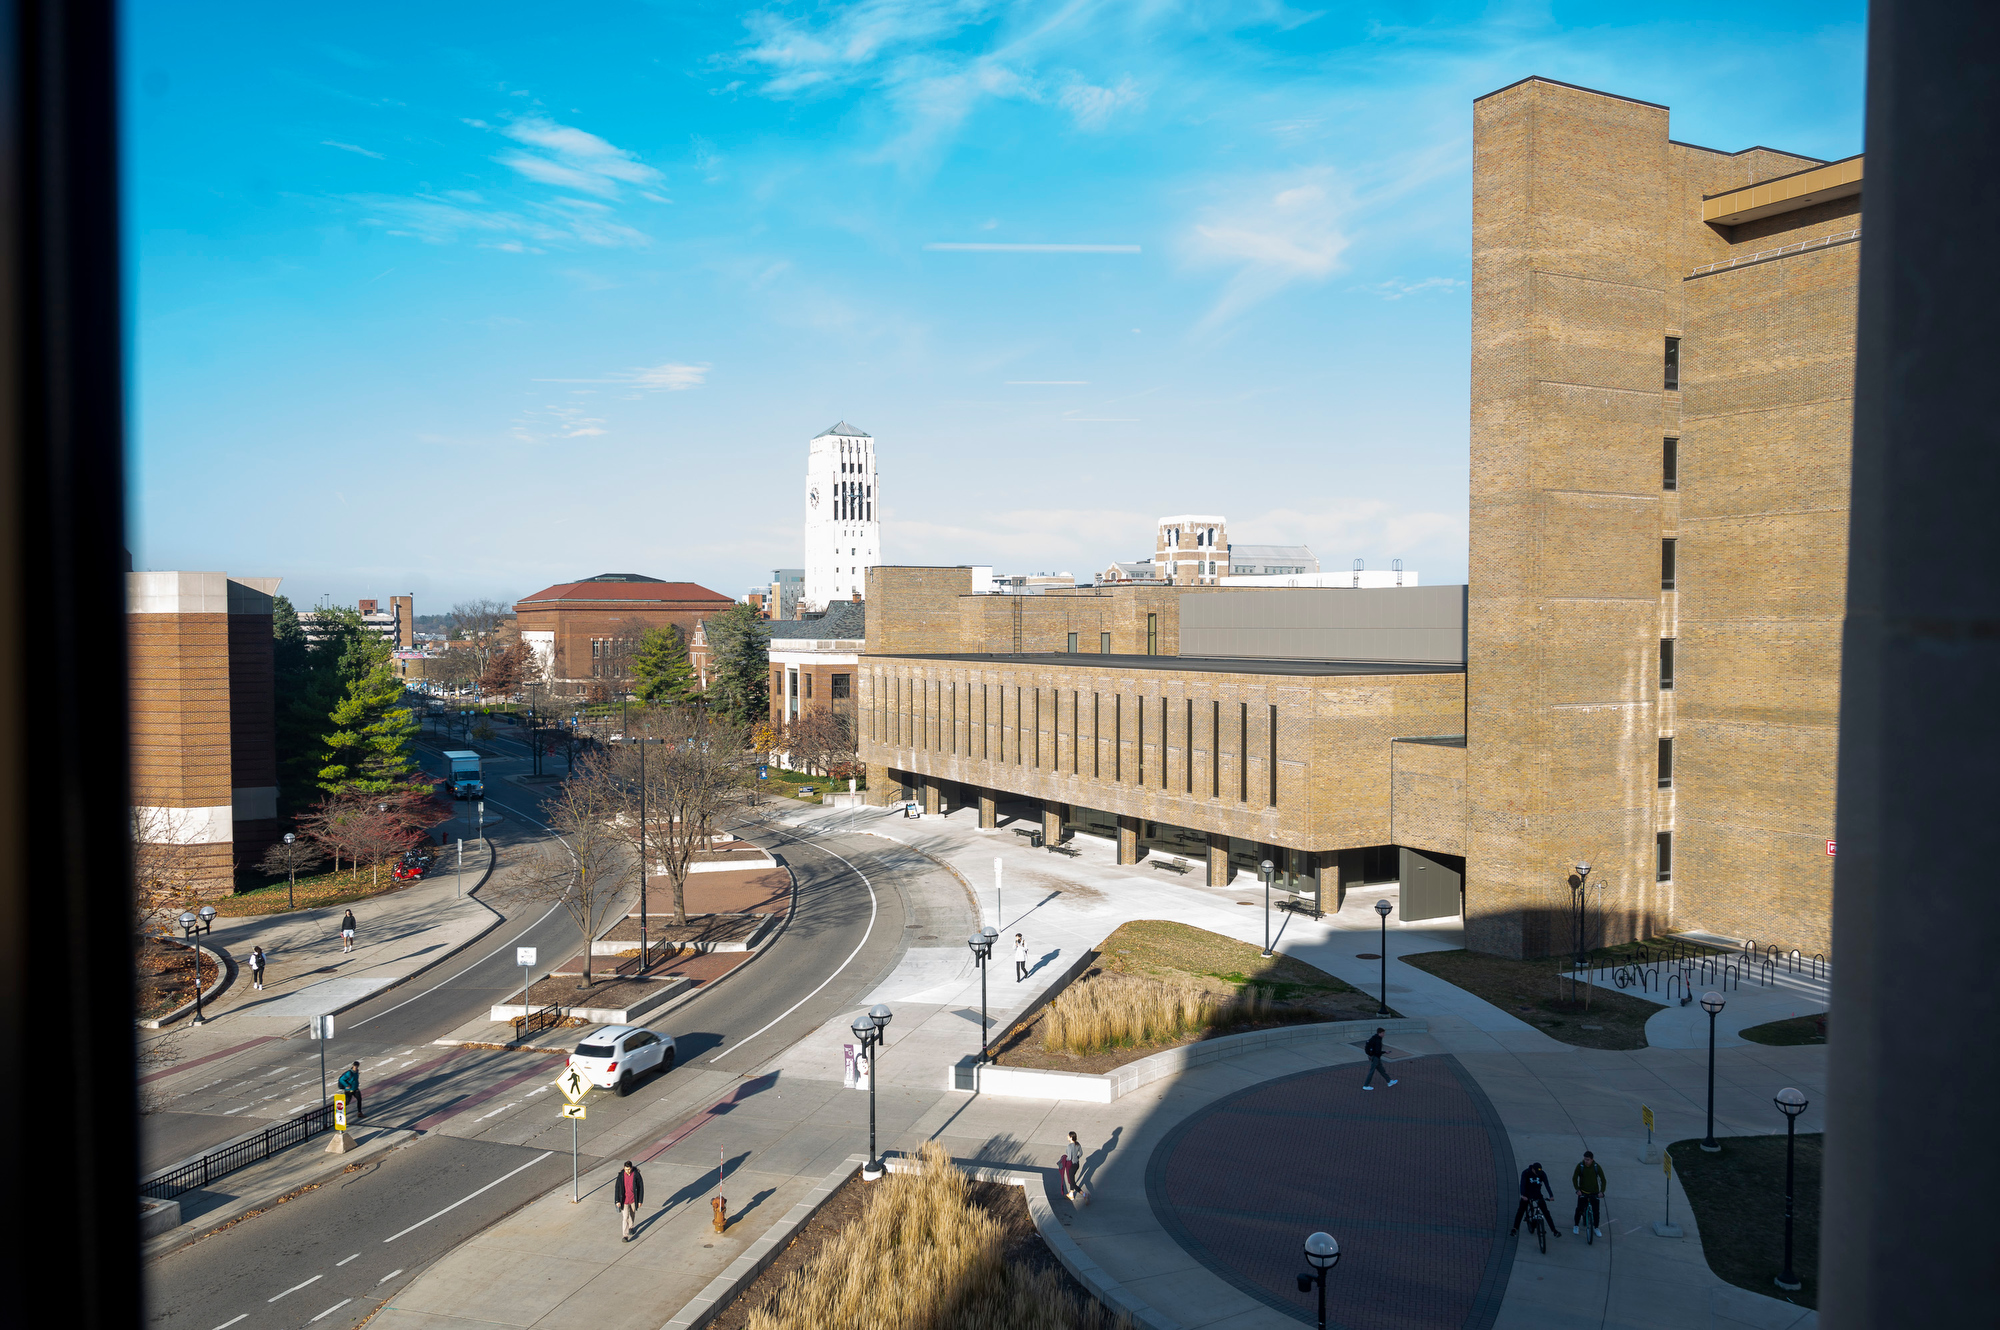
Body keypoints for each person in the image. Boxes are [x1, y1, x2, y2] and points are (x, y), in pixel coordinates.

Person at [1510, 1162, 1559, 1237]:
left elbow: (1547, 1184)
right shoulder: (1526, 1173)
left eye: (1539, 1172)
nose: (1538, 1174)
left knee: (1546, 1212)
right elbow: (1522, 1184)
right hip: (1527, 1194)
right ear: (1533, 1169)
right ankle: (1515, 1229)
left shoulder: (1542, 1173)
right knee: (1521, 1210)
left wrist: (1551, 1195)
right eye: (1536, 1172)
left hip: (1537, 1194)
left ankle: (1554, 1231)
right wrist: (1523, 1195)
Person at [1572, 1150, 1607, 1237]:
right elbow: (1574, 1178)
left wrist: (1602, 1191)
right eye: (1585, 1159)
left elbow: (1603, 1180)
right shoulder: (1580, 1166)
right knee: (1579, 1209)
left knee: (1596, 1212)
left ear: (1592, 1159)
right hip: (1583, 1192)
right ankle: (1576, 1225)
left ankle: (1596, 1227)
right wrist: (1577, 1190)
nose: (1586, 1161)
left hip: (1594, 1193)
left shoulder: (1596, 1167)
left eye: (1587, 1159)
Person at [612, 1161, 645, 1241]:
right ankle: (625, 1235)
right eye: (626, 1169)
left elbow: (641, 1187)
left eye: (629, 1169)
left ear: (631, 1168)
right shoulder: (621, 1176)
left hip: (633, 1199)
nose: (627, 1171)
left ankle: (631, 1226)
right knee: (625, 1217)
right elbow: (617, 1188)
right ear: (624, 1168)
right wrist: (617, 1201)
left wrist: (640, 1200)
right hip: (624, 1200)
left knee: (632, 1214)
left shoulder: (636, 1174)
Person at [1059, 1131, 1083, 1199]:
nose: (1067, 1137)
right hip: (1077, 1164)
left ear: (1071, 1137)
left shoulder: (1069, 1146)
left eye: (1068, 1136)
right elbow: (1081, 1153)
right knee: (1072, 1178)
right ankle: (1071, 1194)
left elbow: (1069, 1158)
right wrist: (1076, 1158)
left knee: (1072, 1182)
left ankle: (1084, 1195)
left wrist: (1063, 1160)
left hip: (1071, 1165)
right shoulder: (1078, 1144)